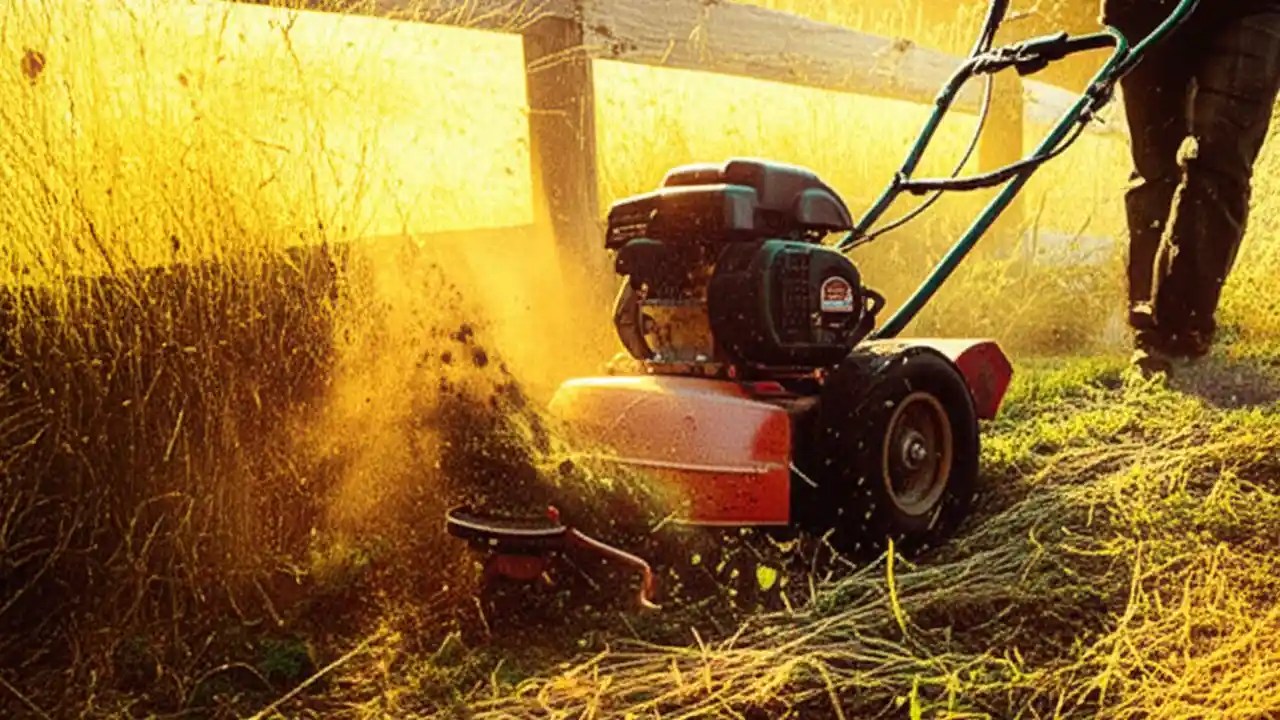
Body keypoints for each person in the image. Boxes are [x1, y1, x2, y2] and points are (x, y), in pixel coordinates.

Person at [1101, 0, 1280, 376]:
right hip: (1144, 10)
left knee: (1221, 157)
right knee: (1154, 165)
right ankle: (1144, 312)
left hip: (1251, 9)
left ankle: (1177, 331)